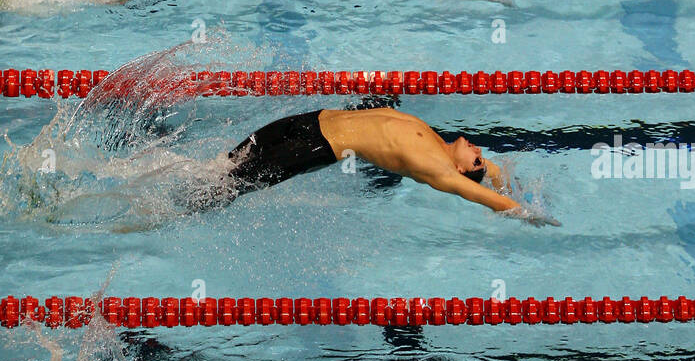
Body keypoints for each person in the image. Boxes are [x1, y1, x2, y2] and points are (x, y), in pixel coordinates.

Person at [190, 103, 518, 213]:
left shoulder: (440, 170)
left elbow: (485, 197)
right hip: (312, 120)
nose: (478, 151)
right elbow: (492, 173)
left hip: (317, 148)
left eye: (476, 160)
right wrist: (501, 177)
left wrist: (528, 211)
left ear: (460, 170)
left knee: (230, 185)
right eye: (480, 154)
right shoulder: (437, 142)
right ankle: (182, 182)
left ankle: (171, 211)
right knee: (226, 163)